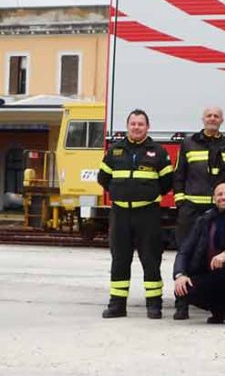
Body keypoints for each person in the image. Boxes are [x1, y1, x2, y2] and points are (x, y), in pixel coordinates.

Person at [97, 109, 174, 319]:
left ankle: (154, 305)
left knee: (151, 259)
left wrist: (147, 194)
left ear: (147, 127)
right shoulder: (115, 151)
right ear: (127, 126)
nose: (136, 127)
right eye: (133, 124)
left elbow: (167, 183)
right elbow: (103, 178)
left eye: (141, 124)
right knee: (119, 259)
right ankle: (117, 305)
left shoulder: (158, 152)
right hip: (120, 213)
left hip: (147, 214)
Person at [172, 106, 225, 320]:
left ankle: (218, 302)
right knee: (187, 254)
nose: (212, 119)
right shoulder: (188, 144)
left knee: (216, 255)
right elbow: (179, 175)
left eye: (216, 116)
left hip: (218, 212)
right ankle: (181, 303)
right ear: (202, 119)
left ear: (222, 120)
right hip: (192, 210)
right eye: (209, 116)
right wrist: (181, 202)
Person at [172, 182, 225, 328]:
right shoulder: (204, 220)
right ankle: (219, 311)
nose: (223, 197)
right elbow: (184, 251)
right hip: (212, 274)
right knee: (183, 290)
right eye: (220, 194)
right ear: (214, 198)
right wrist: (179, 275)